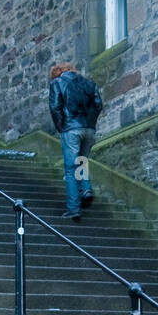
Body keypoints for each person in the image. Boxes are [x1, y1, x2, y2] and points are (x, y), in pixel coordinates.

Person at [48, 62, 103, 219]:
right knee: (82, 161)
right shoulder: (89, 83)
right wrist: (90, 122)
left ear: (57, 73)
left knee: (71, 168)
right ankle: (85, 189)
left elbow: (55, 107)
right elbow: (98, 104)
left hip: (71, 128)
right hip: (89, 129)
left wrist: (61, 127)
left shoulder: (57, 83)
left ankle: (73, 208)